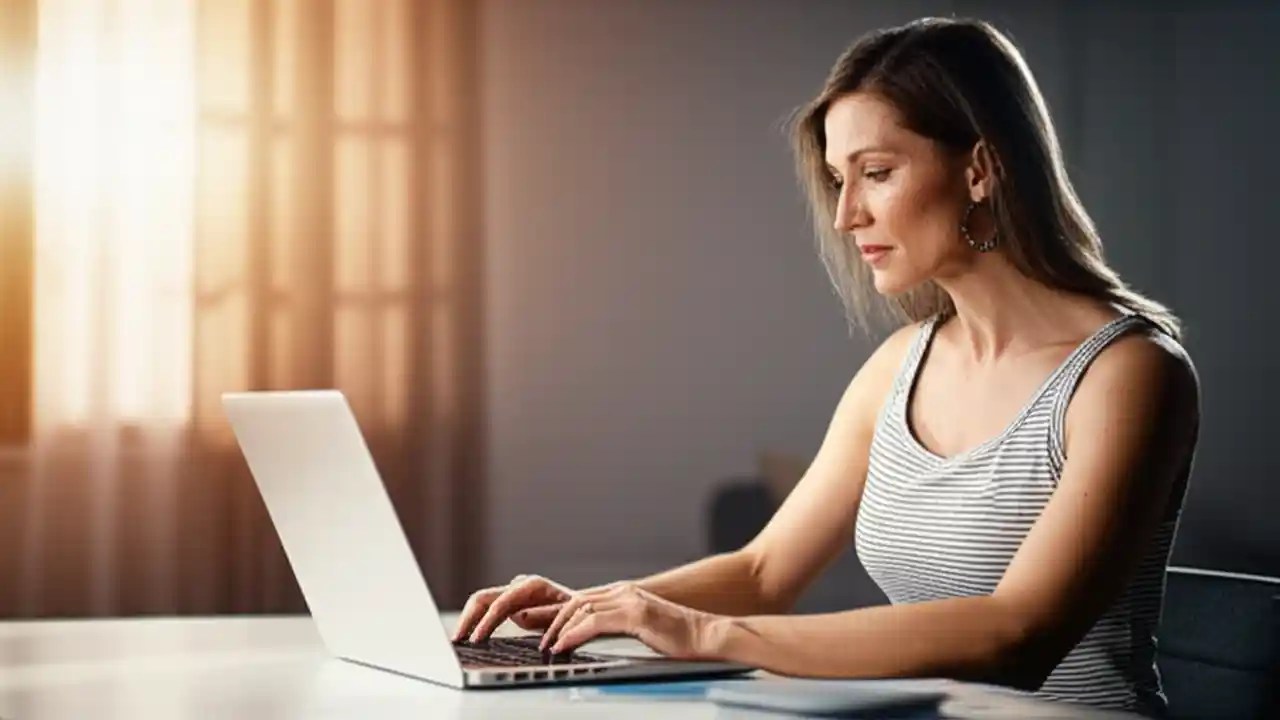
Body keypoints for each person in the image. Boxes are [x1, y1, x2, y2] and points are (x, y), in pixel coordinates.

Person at [453, 16, 1199, 716]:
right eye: (840, 180)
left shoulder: (1129, 373)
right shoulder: (899, 366)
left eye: (875, 172)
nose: (846, 217)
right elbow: (763, 573)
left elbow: (1016, 636)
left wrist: (706, 634)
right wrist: (595, 605)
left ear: (979, 170)